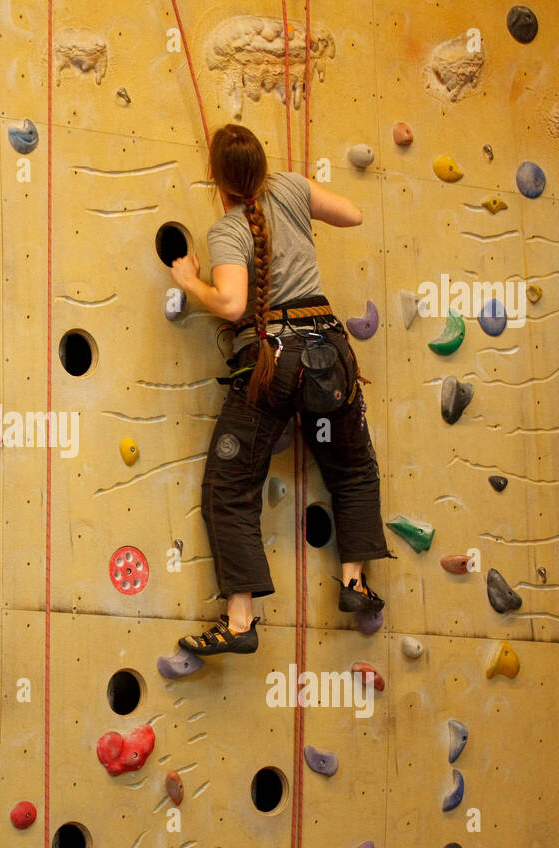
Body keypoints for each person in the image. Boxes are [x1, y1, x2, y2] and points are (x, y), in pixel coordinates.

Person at [169, 124, 391, 656]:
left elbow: (231, 305)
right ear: (265, 168)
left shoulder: (226, 230)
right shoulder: (291, 187)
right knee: (353, 468)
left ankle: (241, 622)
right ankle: (355, 584)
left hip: (272, 363)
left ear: (214, 177)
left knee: (231, 487)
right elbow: (354, 214)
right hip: (328, 354)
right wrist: (300, 198)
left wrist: (188, 280)